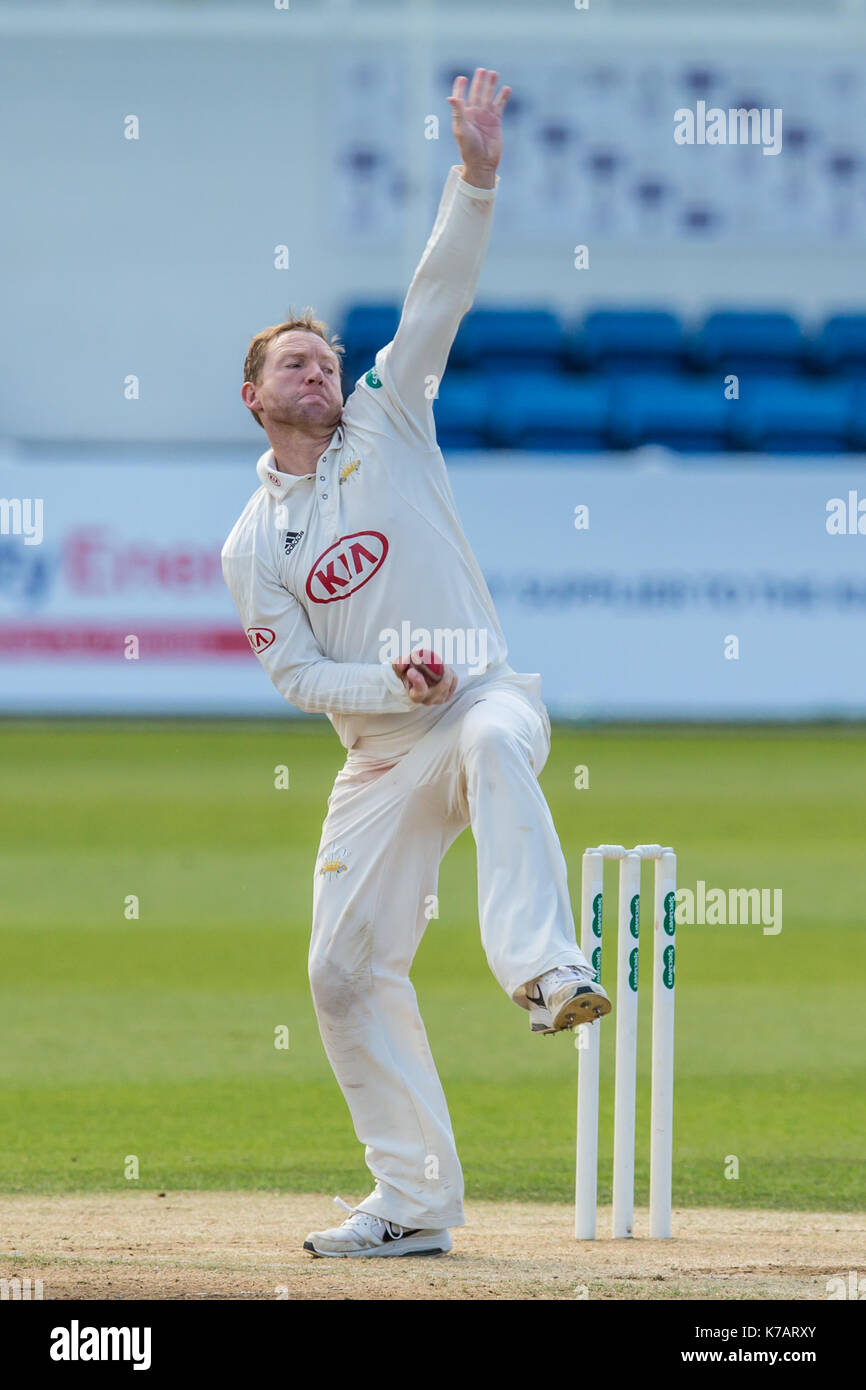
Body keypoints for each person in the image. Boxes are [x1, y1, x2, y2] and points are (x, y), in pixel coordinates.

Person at [221, 68, 610, 1260]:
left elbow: (436, 290)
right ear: (253, 397)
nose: (320, 371)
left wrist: (476, 175)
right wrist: (393, 688)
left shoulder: (391, 413)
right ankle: (413, 1202)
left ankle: (547, 972)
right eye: (296, 364)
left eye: (326, 357)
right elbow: (296, 676)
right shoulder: (253, 544)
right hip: (383, 752)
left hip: (484, 695)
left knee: (495, 742)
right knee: (340, 971)